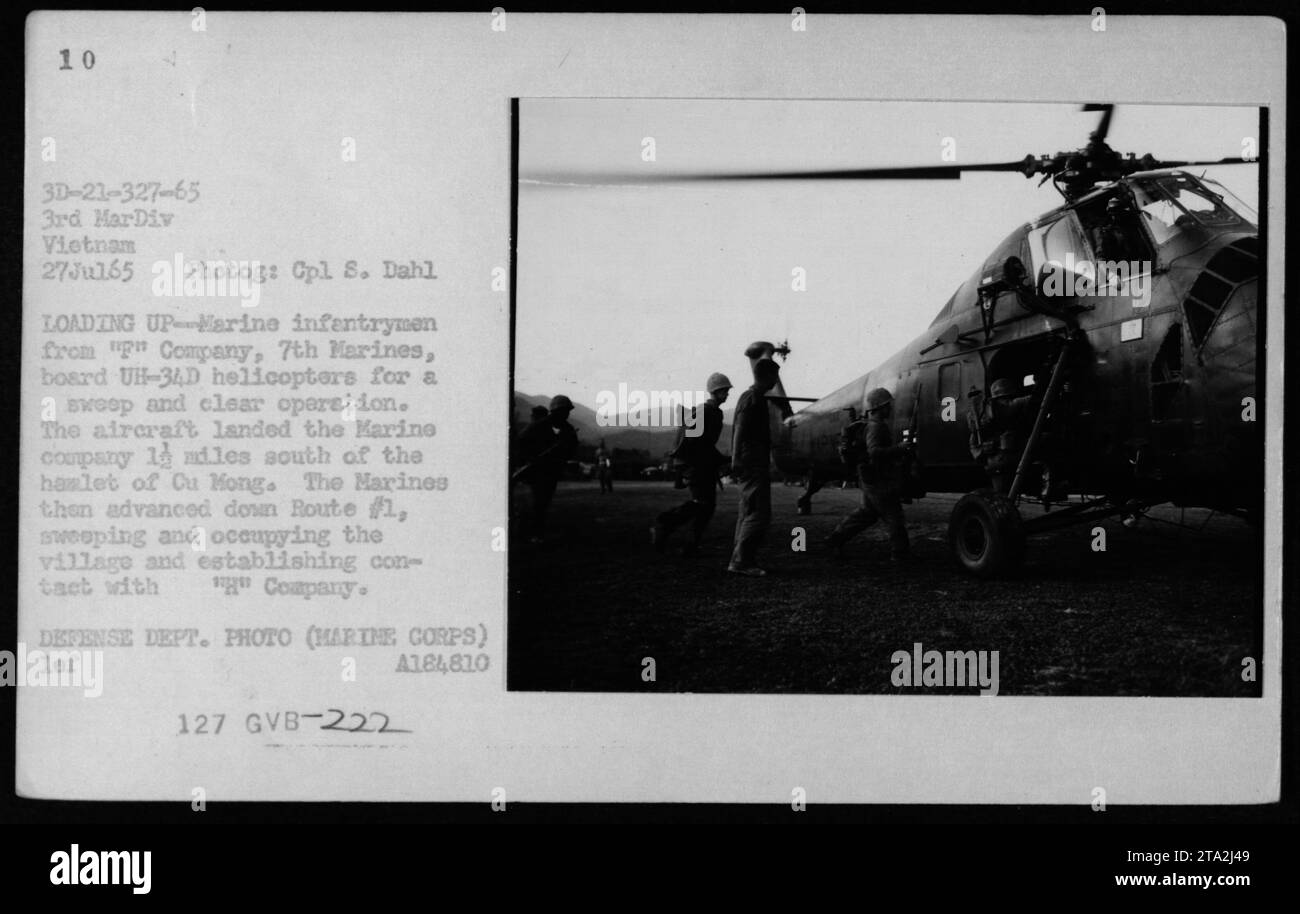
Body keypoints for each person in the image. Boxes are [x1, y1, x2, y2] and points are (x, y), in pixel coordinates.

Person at [826, 387, 911, 562]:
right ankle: (900, 554)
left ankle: (834, 540)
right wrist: (900, 449)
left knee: (867, 514)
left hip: (870, 477)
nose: (890, 409)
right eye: (888, 405)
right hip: (877, 479)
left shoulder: (870, 425)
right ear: (880, 407)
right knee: (893, 515)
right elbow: (874, 452)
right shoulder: (877, 427)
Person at [650, 373, 731, 556]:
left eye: (727, 391)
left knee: (706, 506)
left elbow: (705, 444)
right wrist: (718, 459)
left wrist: (720, 459)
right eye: (723, 391)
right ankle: (664, 524)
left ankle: (691, 545)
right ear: (715, 392)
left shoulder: (714, 412)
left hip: (702, 464)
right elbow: (694, 442)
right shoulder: (706, 411)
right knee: (701, 503)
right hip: (695, 465)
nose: (727, 394)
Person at [728, 359, 780, 577]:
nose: (776, 381)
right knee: (759, 513)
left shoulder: (752, 397)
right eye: (774, 376)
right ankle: (741, 561)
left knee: (748, 511)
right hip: (752, 462)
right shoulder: (753, 398)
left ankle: (740, 558)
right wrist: (736, 458)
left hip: (751, 460)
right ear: (767, 376)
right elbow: (740, 427)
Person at [516, 395, 579, 541]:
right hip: (537, 470)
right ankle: (532, 533)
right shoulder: (539, 425)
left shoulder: (568, 430)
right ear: (555, 410)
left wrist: (562, 453)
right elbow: (522, 441)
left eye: (568, 411)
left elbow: (572, 449)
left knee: (543, 502)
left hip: (552, 471)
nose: (567, 414)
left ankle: (536, 532)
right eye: (564, 410)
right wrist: (531, 457)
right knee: (537, 501)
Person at [969, 377, 1037, 495]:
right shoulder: (1012, 405)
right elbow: (1035, 399)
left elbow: (973, 442)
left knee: (1003, 494)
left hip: (992, 460)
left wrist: (981, 453)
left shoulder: (981, 413)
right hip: (1011, 457)